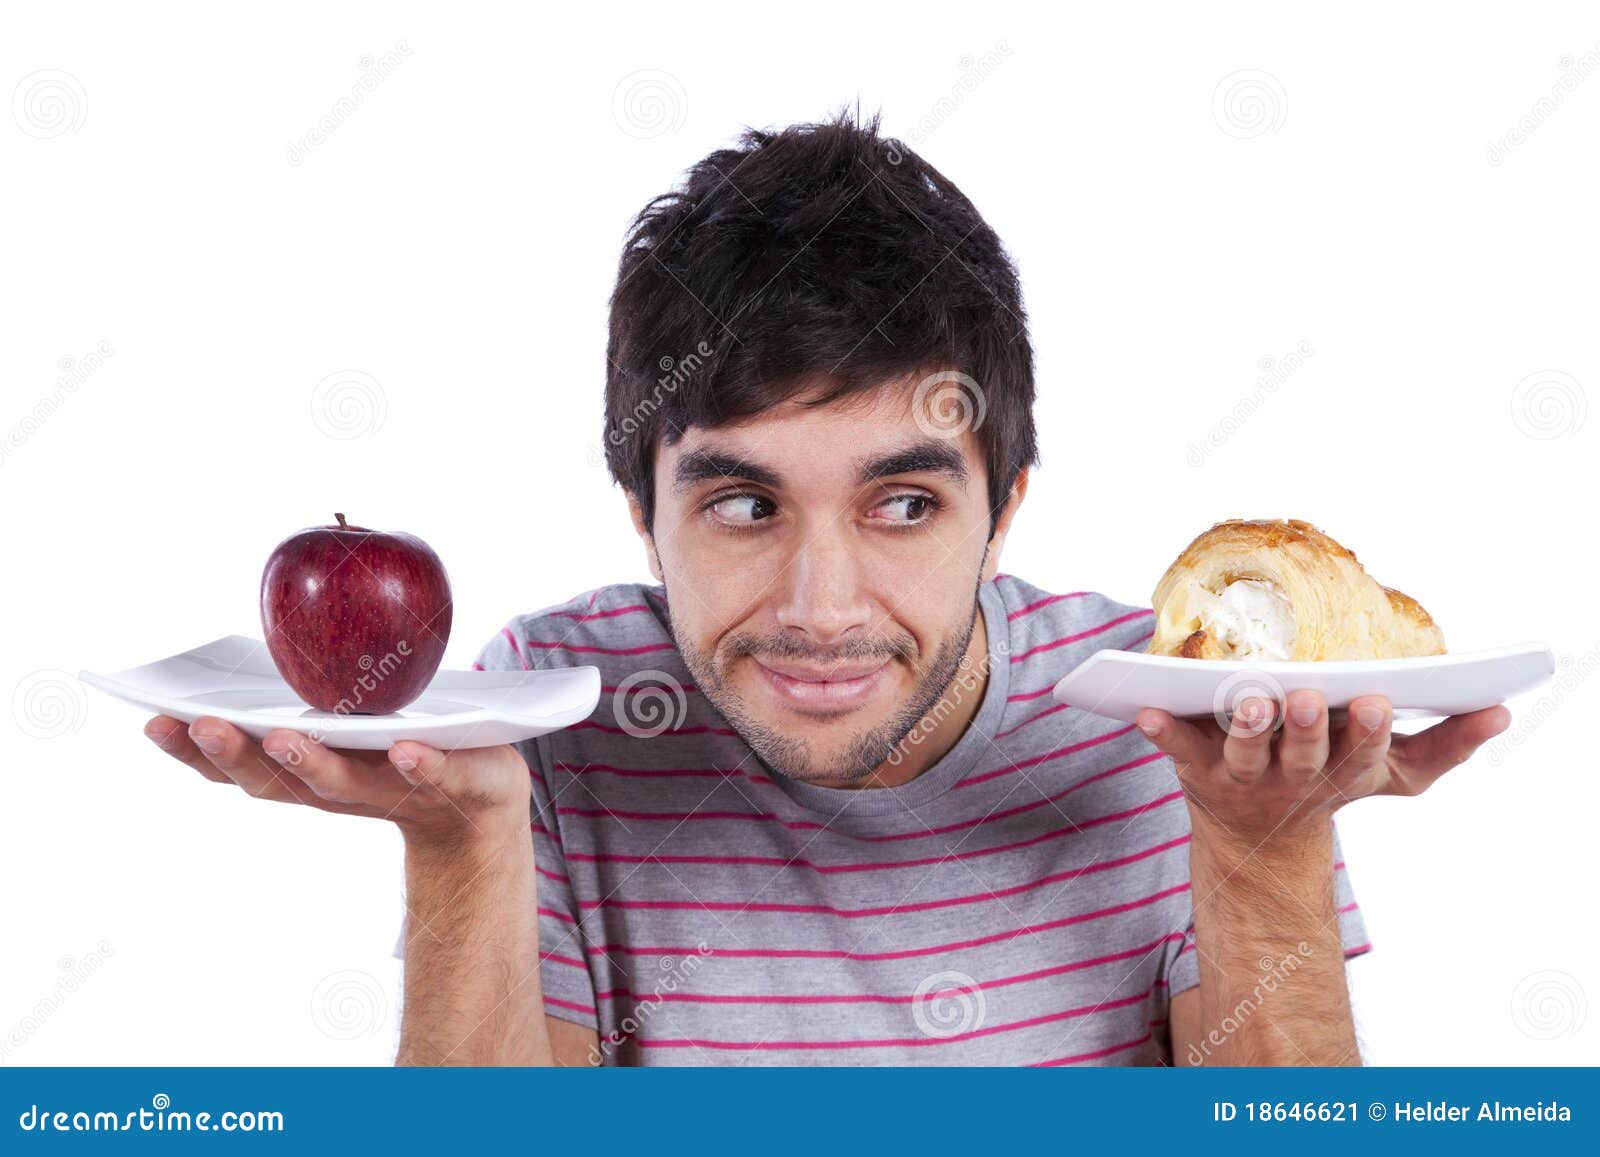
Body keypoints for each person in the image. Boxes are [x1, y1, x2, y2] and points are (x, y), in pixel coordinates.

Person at [142, 113, 1509, 1066]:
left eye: (903, 503)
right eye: (743, 504)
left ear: (1004, 511)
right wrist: (463, 844)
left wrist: (1262, 849)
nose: (822, 601)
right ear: (643, 514)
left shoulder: (1175, 709)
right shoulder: (553, 710)